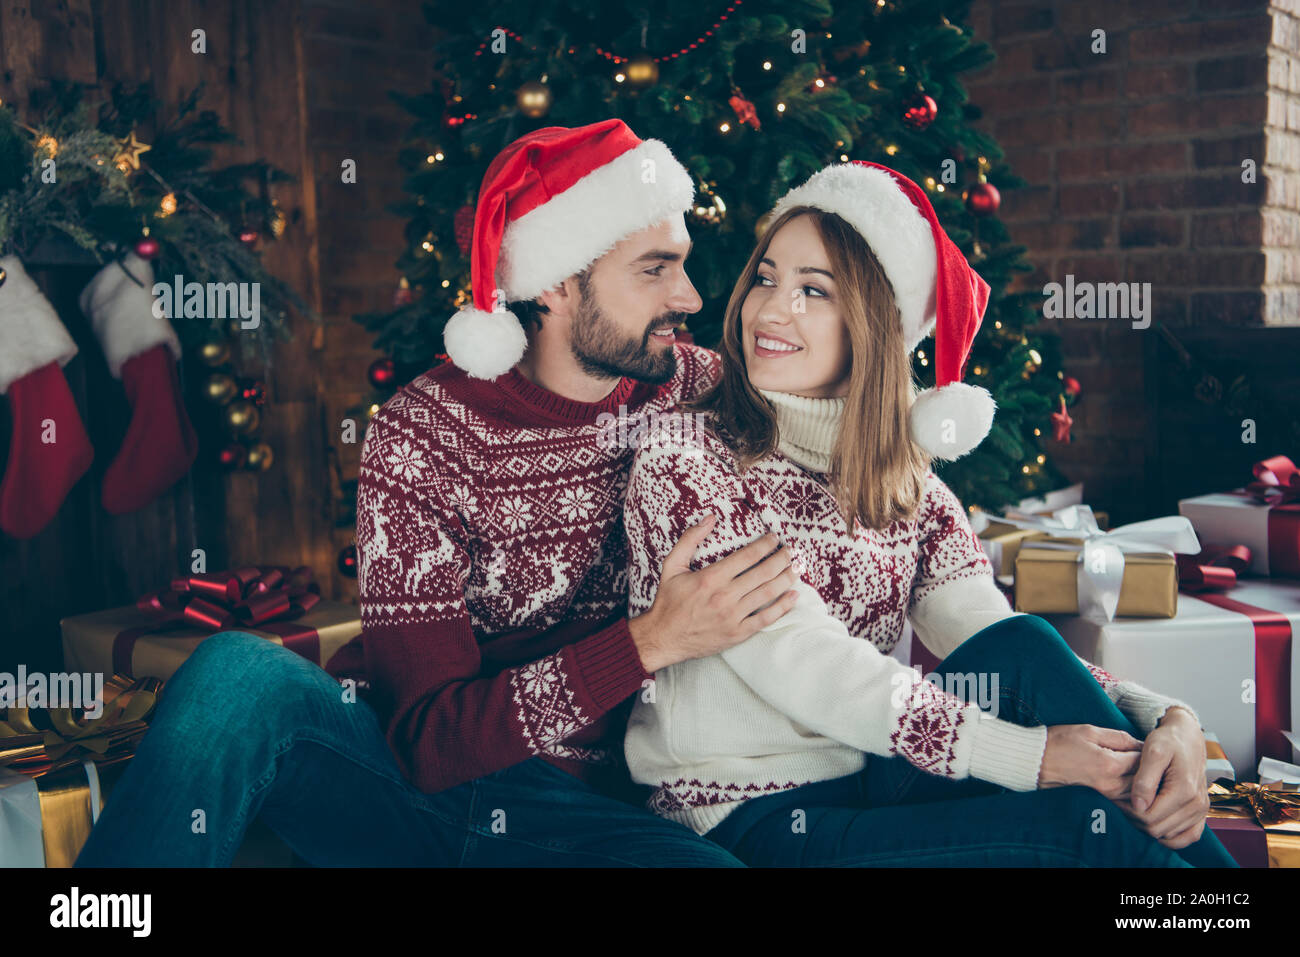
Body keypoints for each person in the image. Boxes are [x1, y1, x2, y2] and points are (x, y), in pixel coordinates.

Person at [76, 119, 804, 867]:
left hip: (589, 817)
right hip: (412, 790)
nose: (689, 294)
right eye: (655, 269)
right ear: (554, 282)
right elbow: (426, 739)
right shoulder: (422, 434)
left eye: (682, 263)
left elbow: (841, 424)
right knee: (236, 672)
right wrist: (651, 640)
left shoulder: (692, 388)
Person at [621, 161, 1237, 867]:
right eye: (767, 277)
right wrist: (1028, 757)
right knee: (1072, 826)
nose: (770, 310)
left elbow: (1002, 643)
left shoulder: (906, 488)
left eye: (813, 291)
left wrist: (1168, 719)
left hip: (866, 780)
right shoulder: (688, 457)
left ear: (874, 324)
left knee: (1024, 645)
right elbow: (806, 662)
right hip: (744, 814)